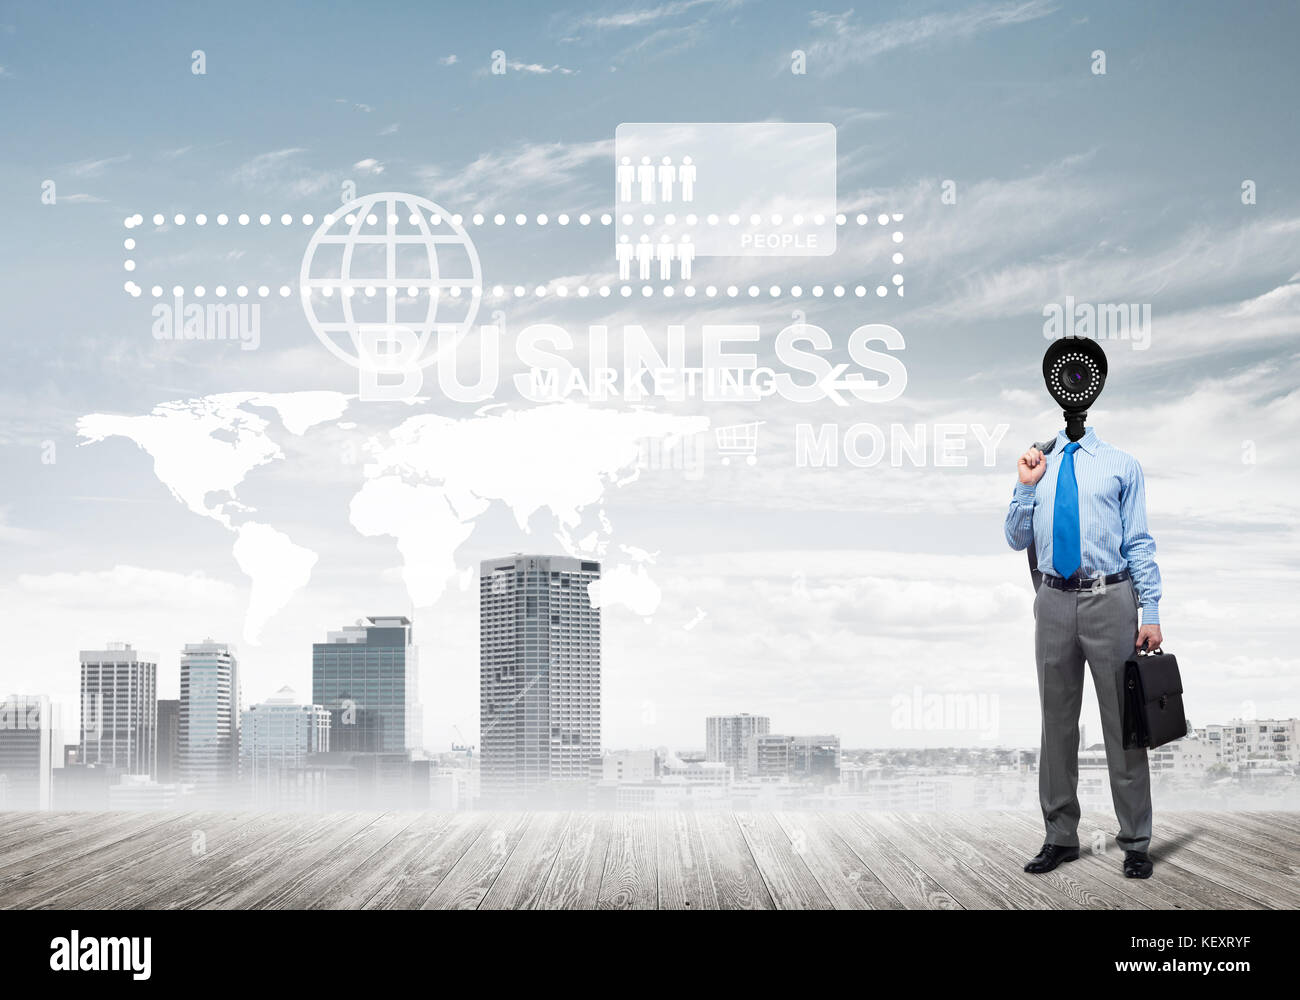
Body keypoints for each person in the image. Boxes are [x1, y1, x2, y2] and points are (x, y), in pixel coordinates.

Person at [1004, 426, 1162, 879]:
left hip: (1111, 599)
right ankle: (1060, 838)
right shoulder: (1038, 463)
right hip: (1053, 600)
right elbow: (1015, 537)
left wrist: (1150, 609)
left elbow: (1138, 540)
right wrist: (1025, 486)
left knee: (1124, 724)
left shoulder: (1121, 464)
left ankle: (1135, 842)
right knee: (1056, 725)